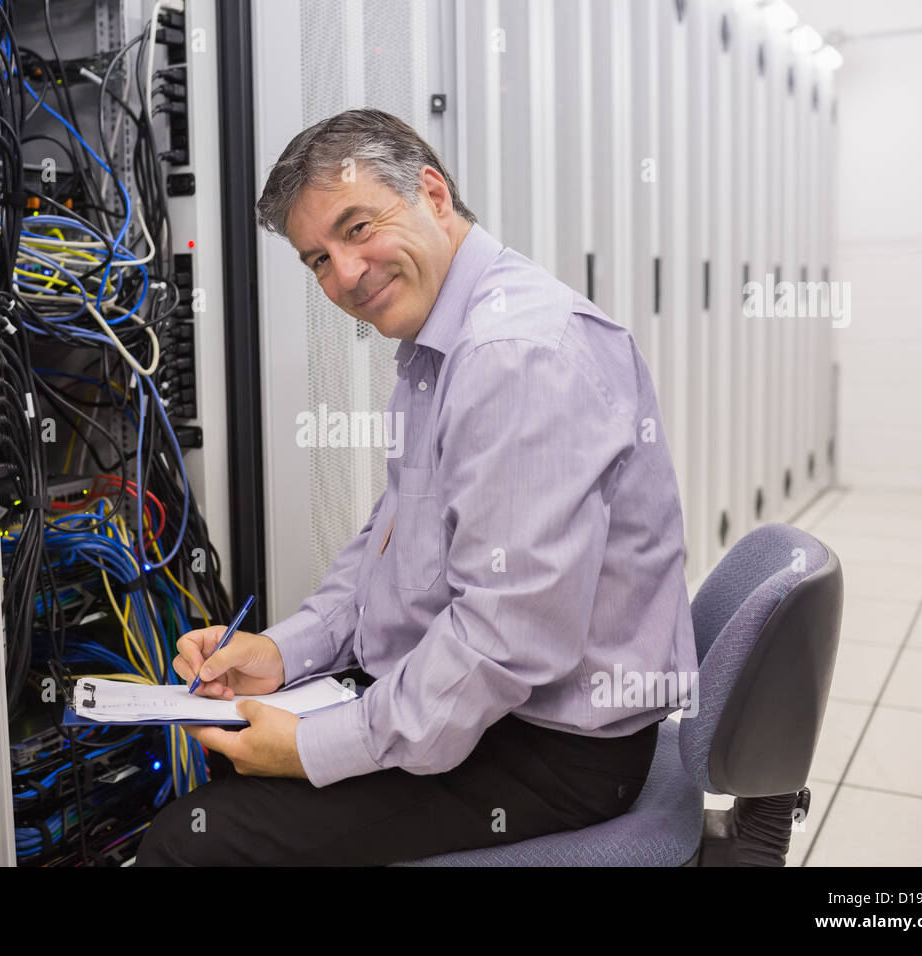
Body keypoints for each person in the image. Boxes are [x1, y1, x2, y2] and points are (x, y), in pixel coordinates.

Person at [134, 108, 697, 866]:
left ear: (432, 194)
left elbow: (507, 643)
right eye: (318, 260)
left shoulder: (513, 356)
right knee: (230, 773)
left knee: (192, 842)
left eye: (358, 227)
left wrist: (312, 745)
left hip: (557, 750)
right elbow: (388, 545)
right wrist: (281, 651)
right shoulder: (442, 345)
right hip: (506, 708)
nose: (346, 275)